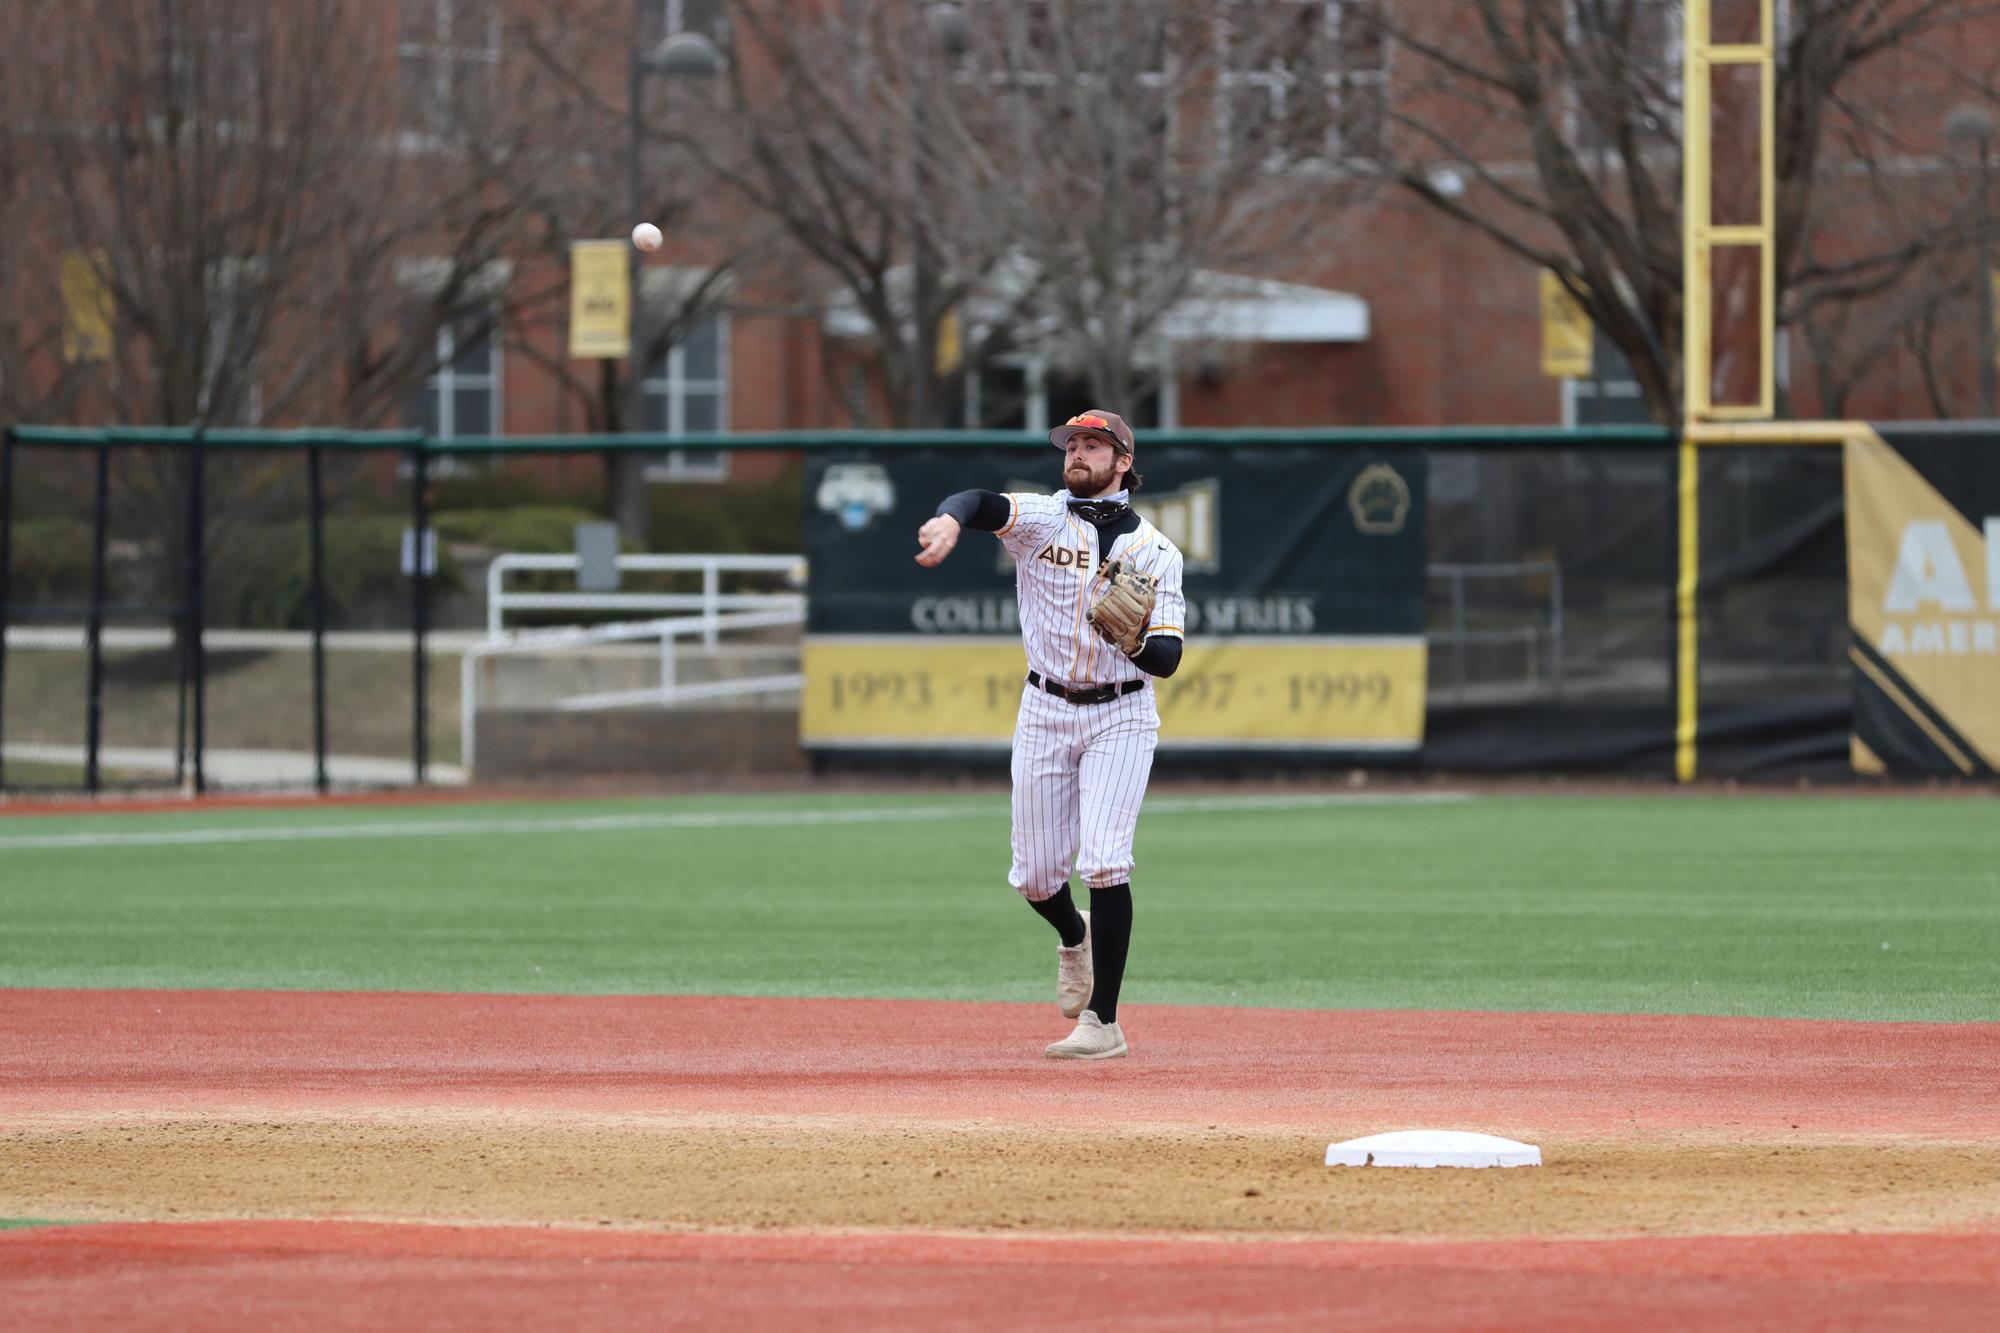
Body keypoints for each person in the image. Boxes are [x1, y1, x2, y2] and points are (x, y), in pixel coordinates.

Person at [914, 410, 1186, 1059]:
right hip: (1044, 707)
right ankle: (1074, 935)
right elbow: (980, 501)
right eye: (1072, 444)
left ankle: (1104, 1021)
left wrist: (1131, 636)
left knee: (1104, 858)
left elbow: (1168, 659)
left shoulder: (1156, 551)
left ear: (1123, 462)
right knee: (1035, 876)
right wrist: (952, 518)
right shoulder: (1041, 519)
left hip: (1121, 710)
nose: (1078, 453)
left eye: (1094, 444)